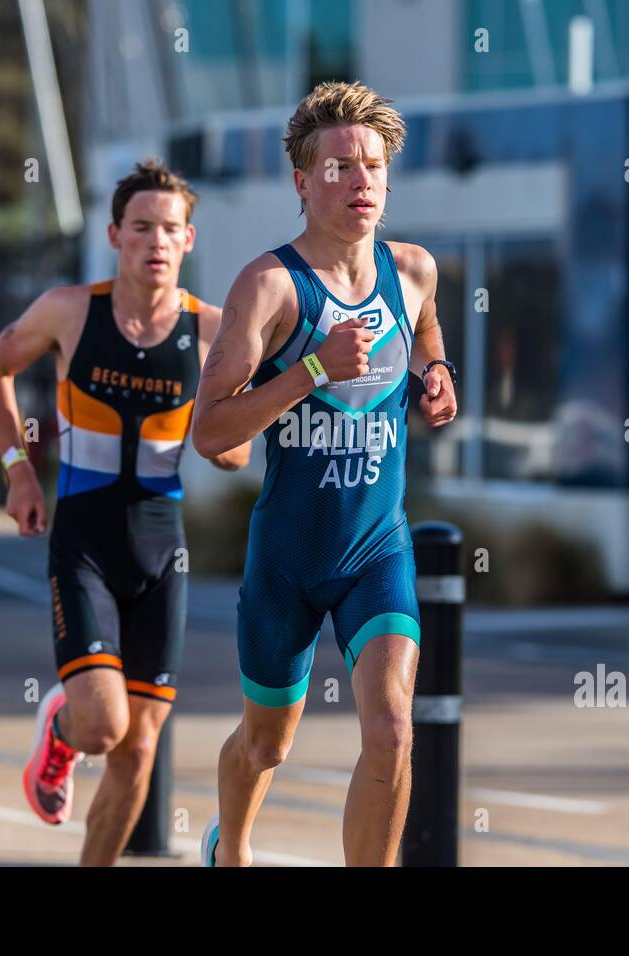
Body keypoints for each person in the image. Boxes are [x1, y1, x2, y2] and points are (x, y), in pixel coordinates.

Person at [191, 81, 458, 866]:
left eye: (373, 166)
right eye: (340, 167)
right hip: (287, 559)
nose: (361, 182)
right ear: (302, 183)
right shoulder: (267, 286)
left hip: (377, 549)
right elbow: (211, 430)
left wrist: (436, 372)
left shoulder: (413, 271)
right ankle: (230, 846)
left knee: (393, 731)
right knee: (266, 746)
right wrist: (309, 368)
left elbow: (428, 329)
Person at [0, 159, 250, 866]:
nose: (155, 241)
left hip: (164, 550)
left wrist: (225, 450)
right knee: (103, 726)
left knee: (141, 749)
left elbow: (237, 448)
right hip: (85, 545)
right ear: (113, 234)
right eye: (140, 227)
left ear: (189, 240)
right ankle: (62, 733)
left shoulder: (215, 330)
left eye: (169, 229)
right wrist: (18, 473)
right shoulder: (70, 310)